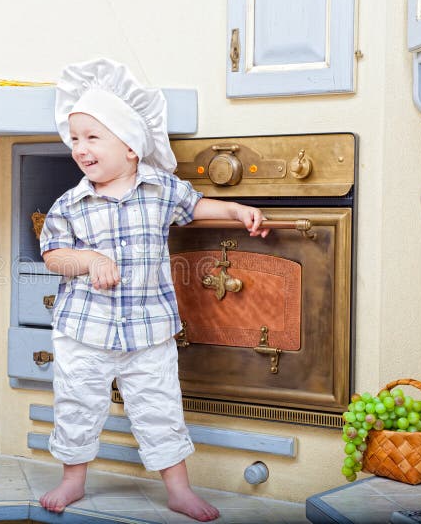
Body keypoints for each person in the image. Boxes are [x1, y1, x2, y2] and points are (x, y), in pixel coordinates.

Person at [38, 58, 269, 522]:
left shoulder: (160, 190)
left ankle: (179, 490)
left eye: (92, 137)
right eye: (75, 138)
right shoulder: (71, 204)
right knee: (78, 404)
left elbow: (198, 206)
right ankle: (72, 479)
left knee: (160, 407)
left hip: (149, 330)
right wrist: (88, 261)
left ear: (130, 146)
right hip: (86, 330)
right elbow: (54, 256)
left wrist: (237, 211)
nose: (80, 147)